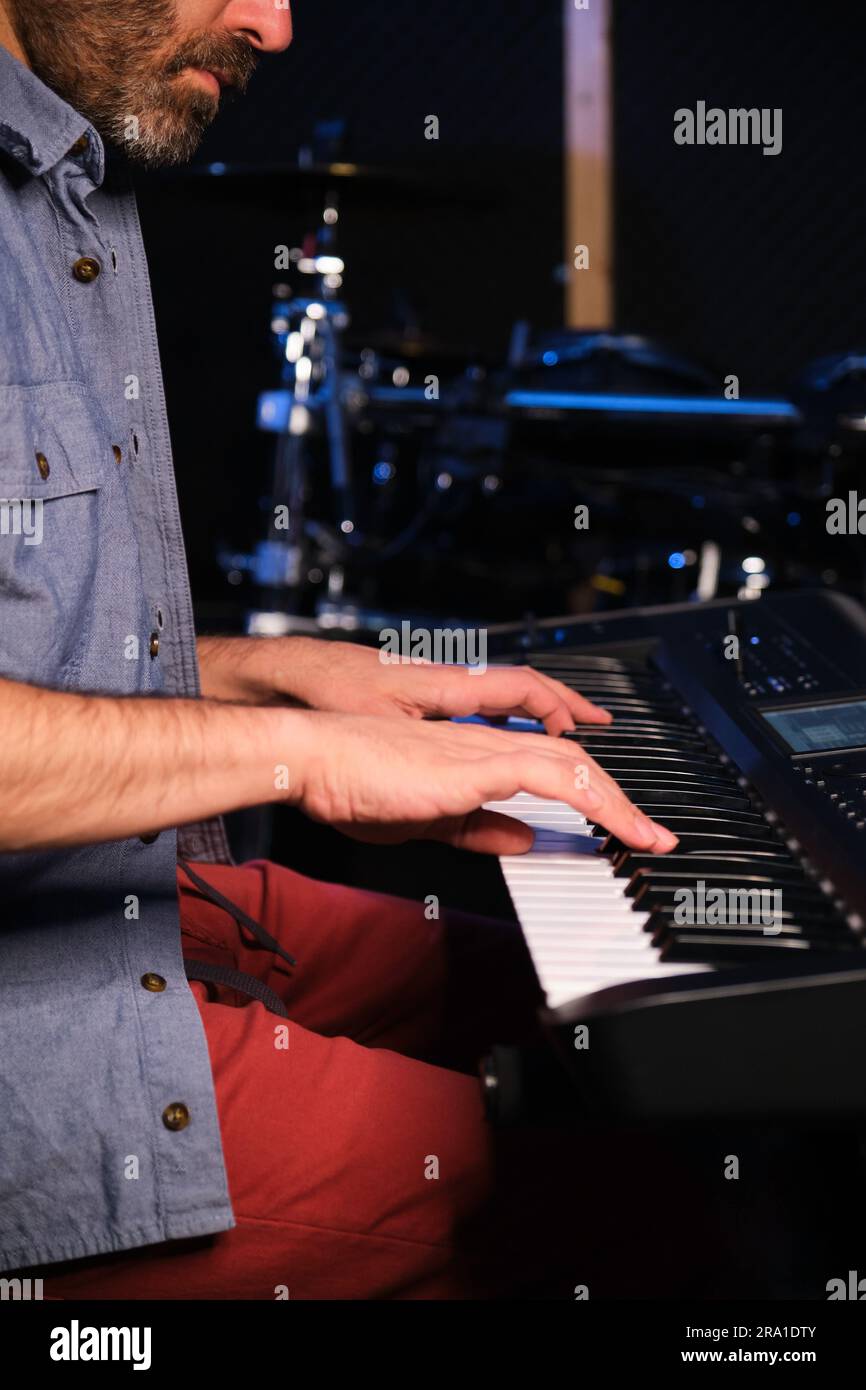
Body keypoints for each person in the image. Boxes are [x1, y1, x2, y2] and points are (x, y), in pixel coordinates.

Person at [0, 0, 677, 1299]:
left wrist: (281, 671)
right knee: (586, 1184)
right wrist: (299, 755)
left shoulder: (78, 168)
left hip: (105, 901)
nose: (277, 21)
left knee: (587, 1019)